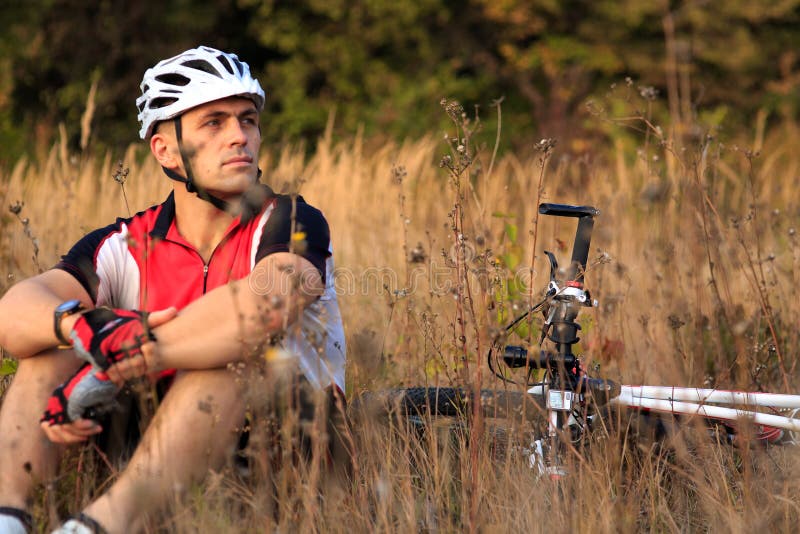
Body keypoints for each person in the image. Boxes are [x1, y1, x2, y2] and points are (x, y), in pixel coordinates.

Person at [0, 46, 347, 533]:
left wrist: (117, 360)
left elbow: (262, 311)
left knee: (235, 359)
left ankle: (92, 529)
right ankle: (7, 519)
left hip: (291, 455)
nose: (240, 137)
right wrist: (82, 327)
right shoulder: (124, 243)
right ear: (165, 150)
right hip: (165, 447)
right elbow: (13, 315)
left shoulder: (290, 221)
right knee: (51, 344)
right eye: (214, 123)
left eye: (248, 121)